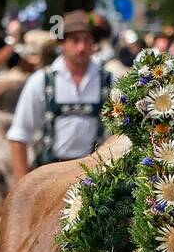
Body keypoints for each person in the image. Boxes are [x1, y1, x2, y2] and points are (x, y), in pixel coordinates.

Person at [7, 11, 109, 178]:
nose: (81, 47)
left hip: (97, 180)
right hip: (49, 177)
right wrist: (22, 186)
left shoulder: (109, 82)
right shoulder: (40, 81)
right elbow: (19, 135)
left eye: (87, 40)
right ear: (62, 43)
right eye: (75, 40)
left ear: (94, 44)